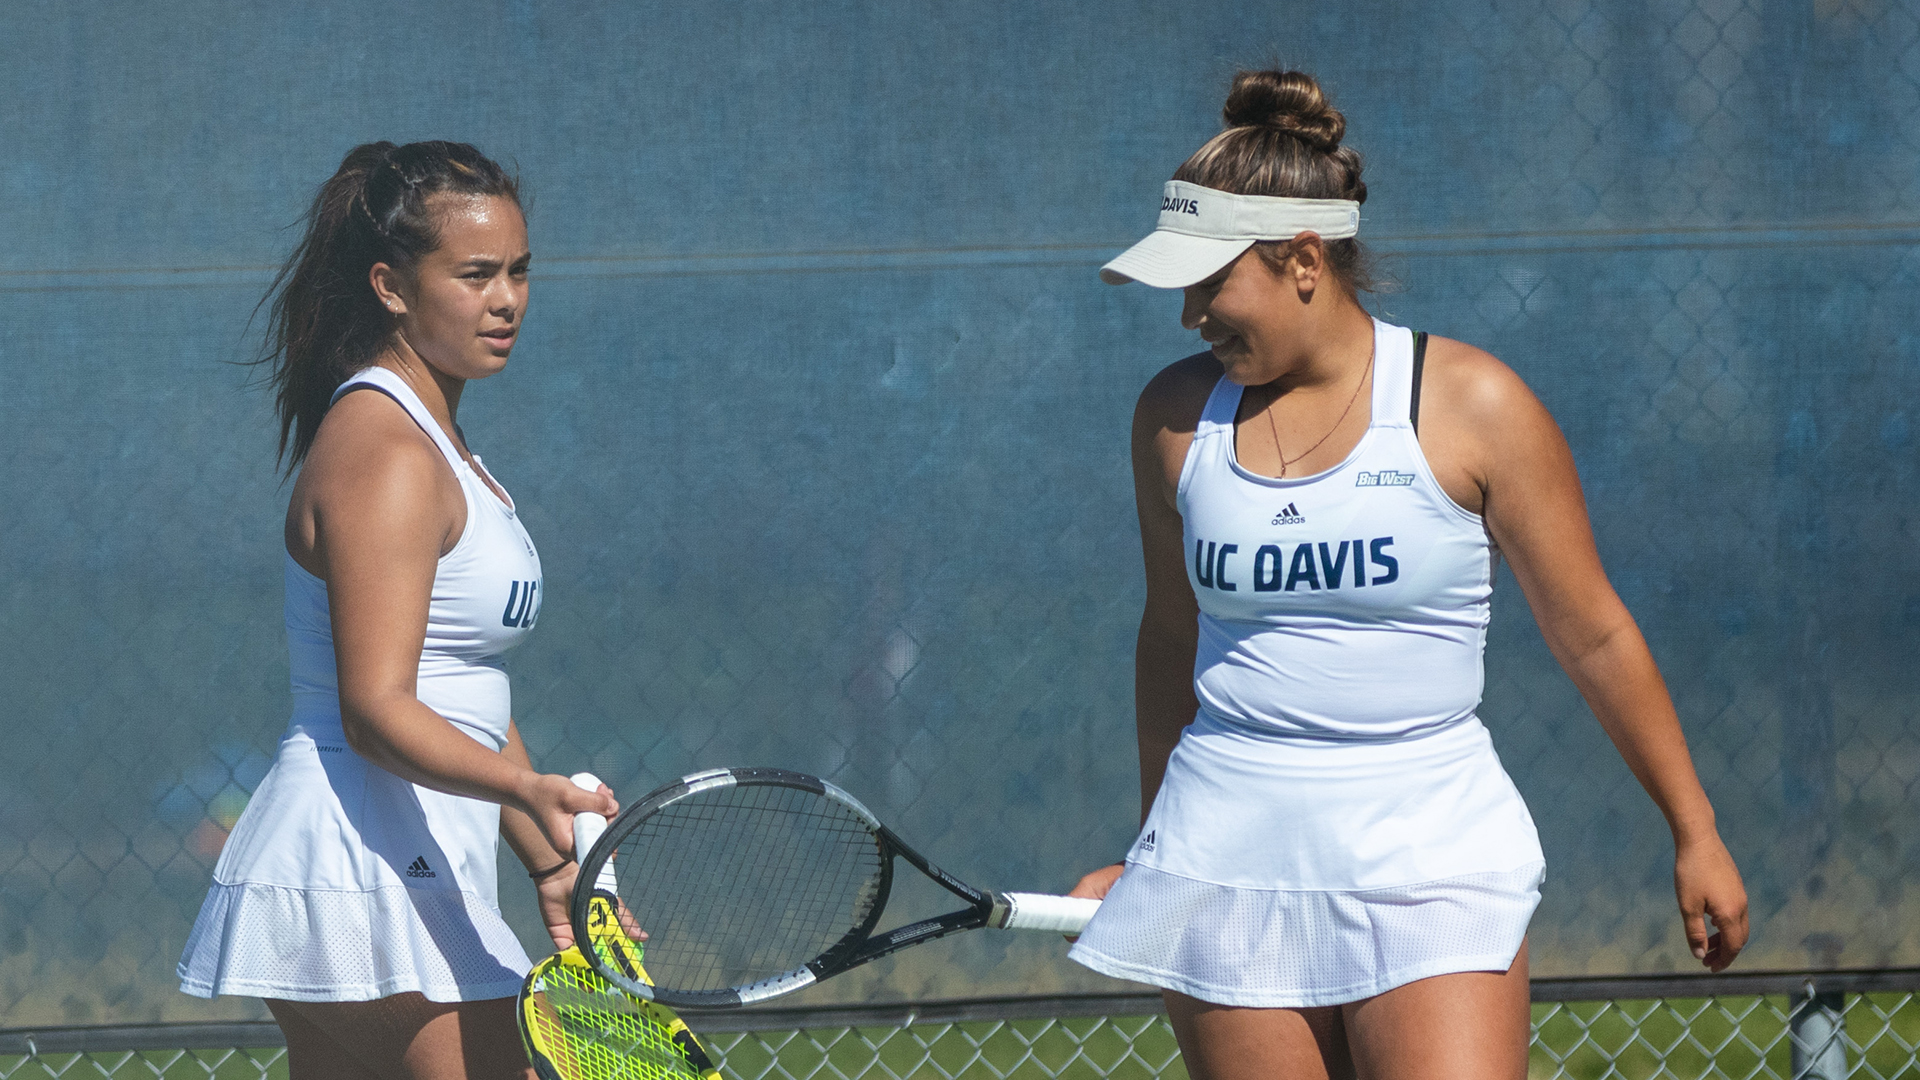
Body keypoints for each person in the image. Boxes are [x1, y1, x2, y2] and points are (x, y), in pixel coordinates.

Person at [1065, 71, 1750, 1080]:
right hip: (1223, 860)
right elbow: (1171, 637)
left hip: (1434, 863)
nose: (1190, 317)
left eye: (1211, 285)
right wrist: (1153, 845)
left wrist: (1696, 830)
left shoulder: (1476, 405)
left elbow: (1593, 634)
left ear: (1304, 262)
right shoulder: (1172, 420)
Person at [176, 141, 617, 1080]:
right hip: (356, 863)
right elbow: (376, 709)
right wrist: (531, 794)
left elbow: (457, 688)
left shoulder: (435, 440)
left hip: (389, 857)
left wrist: (548, 859)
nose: (507, 299)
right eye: (474, 274)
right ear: (390, 286)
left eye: (519, 271)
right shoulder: (386, 452)